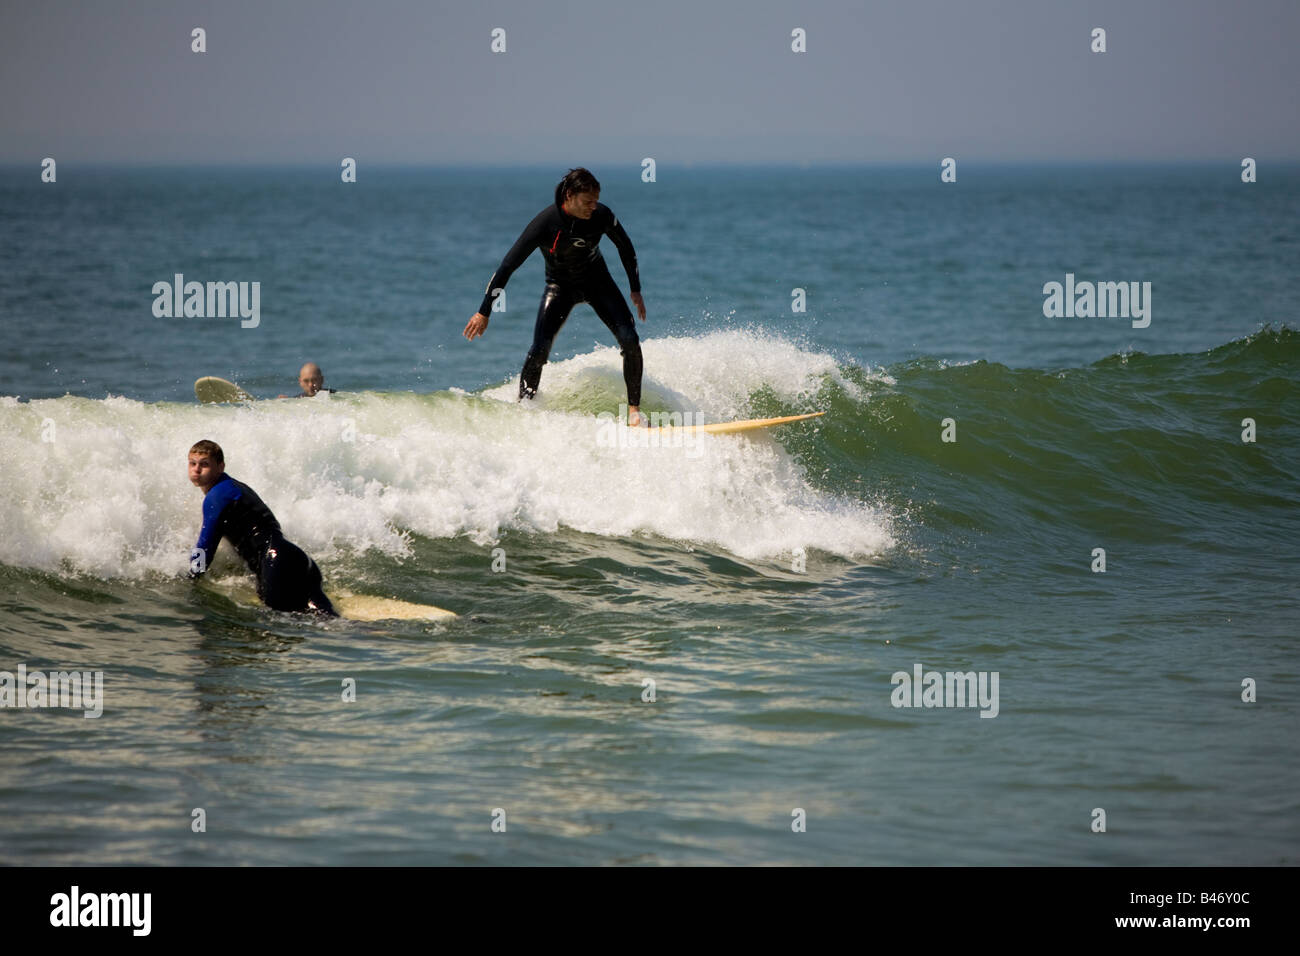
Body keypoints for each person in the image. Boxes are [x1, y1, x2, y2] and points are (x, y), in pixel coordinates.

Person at [463, 168, 649, 425]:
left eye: (596, 201)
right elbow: (507, 266)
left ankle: (634, 413)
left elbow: (626, 248)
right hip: (559, 287)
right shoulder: (545, 224)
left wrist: (635, 289)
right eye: (587, 202)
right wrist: (484, 311)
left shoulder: (602, 215)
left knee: (630, 340)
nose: (593, 207)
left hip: (598, 283)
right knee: (539, 351)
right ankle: (524, 411)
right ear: (569, 196)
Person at [187, 439, 337, 617]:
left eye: (204, 464)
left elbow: (205, 547)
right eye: (192, 463)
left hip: (277, 563)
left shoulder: (217, 497)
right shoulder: (233, 487)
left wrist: (191, 578)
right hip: (293, 559)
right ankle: (367, 632)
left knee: (298, 623)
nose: (196, 469)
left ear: (221, 467)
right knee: (328, 619)